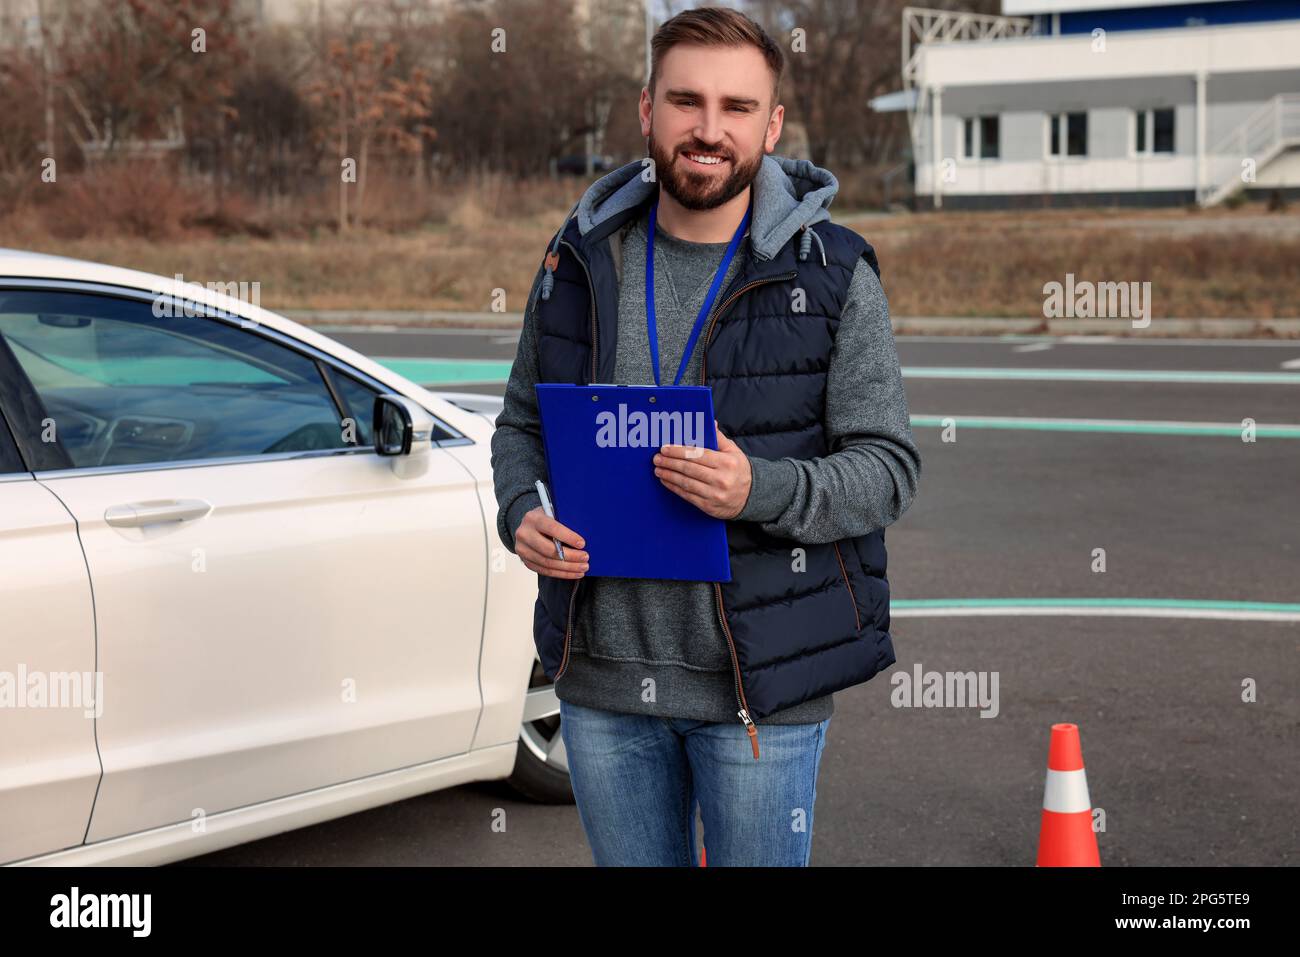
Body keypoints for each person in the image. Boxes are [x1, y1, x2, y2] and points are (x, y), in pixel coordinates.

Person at [490, 5, 921, 866]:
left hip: (758, 693)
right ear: (647, 110)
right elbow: (522, 426)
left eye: (737, 107)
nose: (709, 130)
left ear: (773, 124)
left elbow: (888, 469)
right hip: (604, 685)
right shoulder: (577, 257)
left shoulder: (834, 272)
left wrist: (756, 488)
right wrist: (520, 512)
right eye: (687, 102)